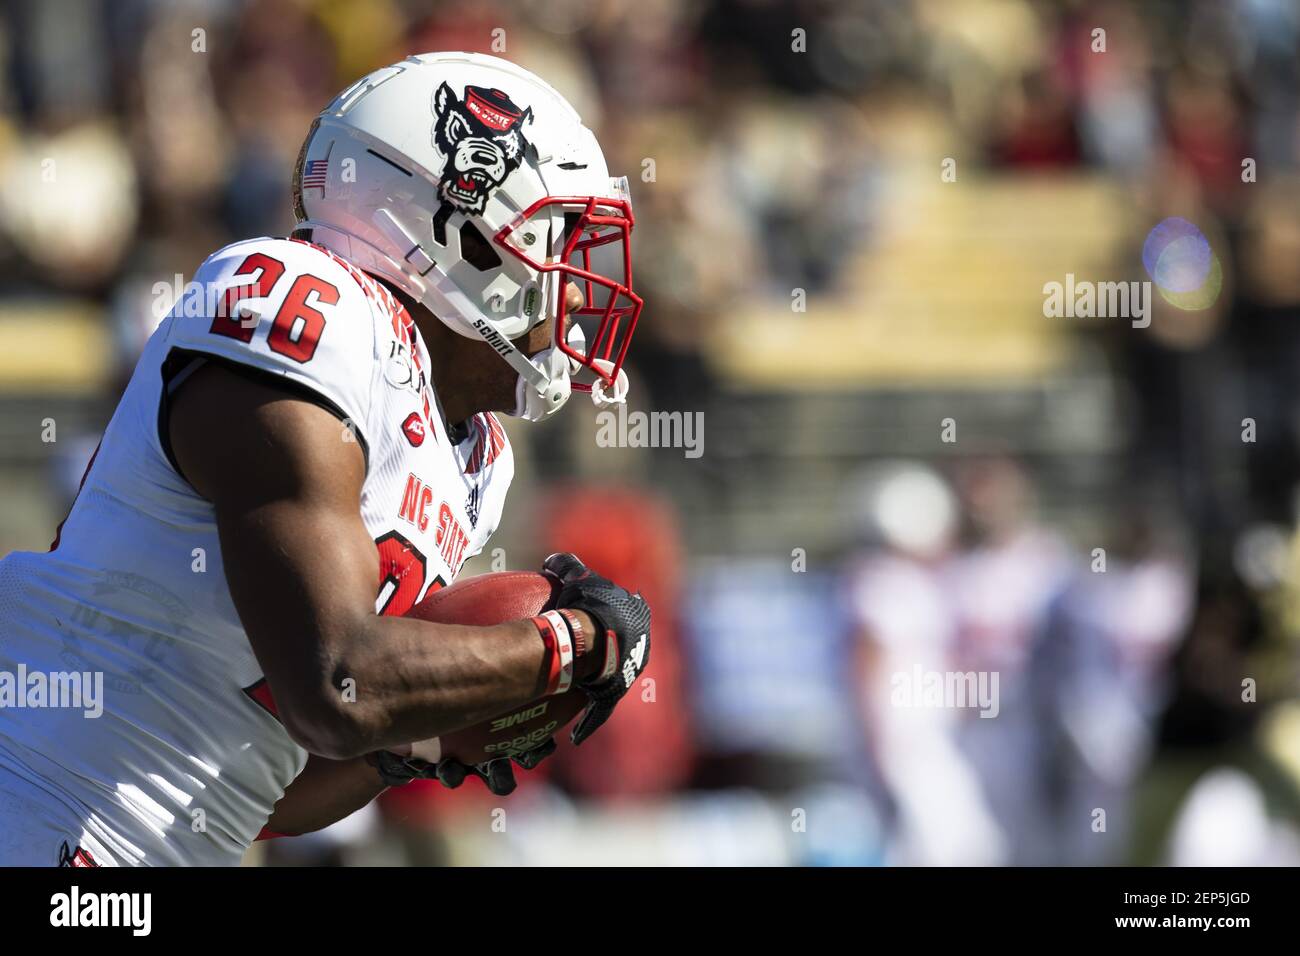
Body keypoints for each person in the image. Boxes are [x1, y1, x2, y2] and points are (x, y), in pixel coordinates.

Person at [0, 52, 651, 866]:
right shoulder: (301, 304)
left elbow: (269, 785)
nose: (574, 282)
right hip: (33, 799)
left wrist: (426, 746)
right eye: (555, 236)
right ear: (458, 228)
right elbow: (340, 685)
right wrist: (570, 646)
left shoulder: (477, 457)